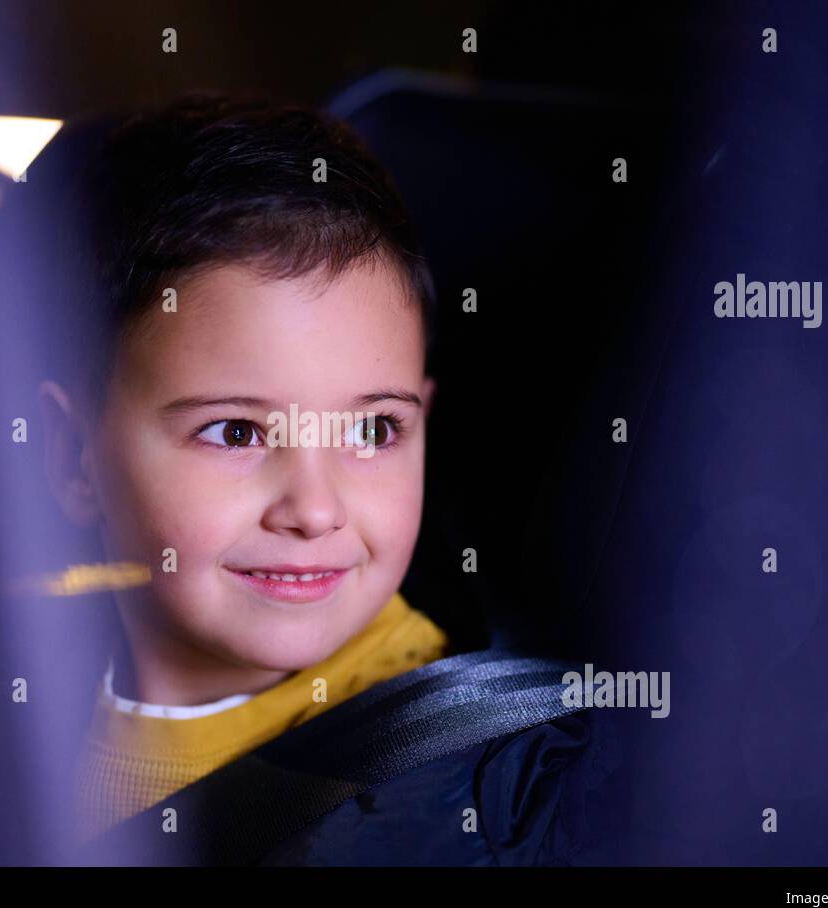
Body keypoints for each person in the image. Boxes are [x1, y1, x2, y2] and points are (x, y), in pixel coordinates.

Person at [38, 91, 617, 865]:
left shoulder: (489, 782)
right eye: (237, 431)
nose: (315, 510)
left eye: (373, 430)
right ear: (71, 455)